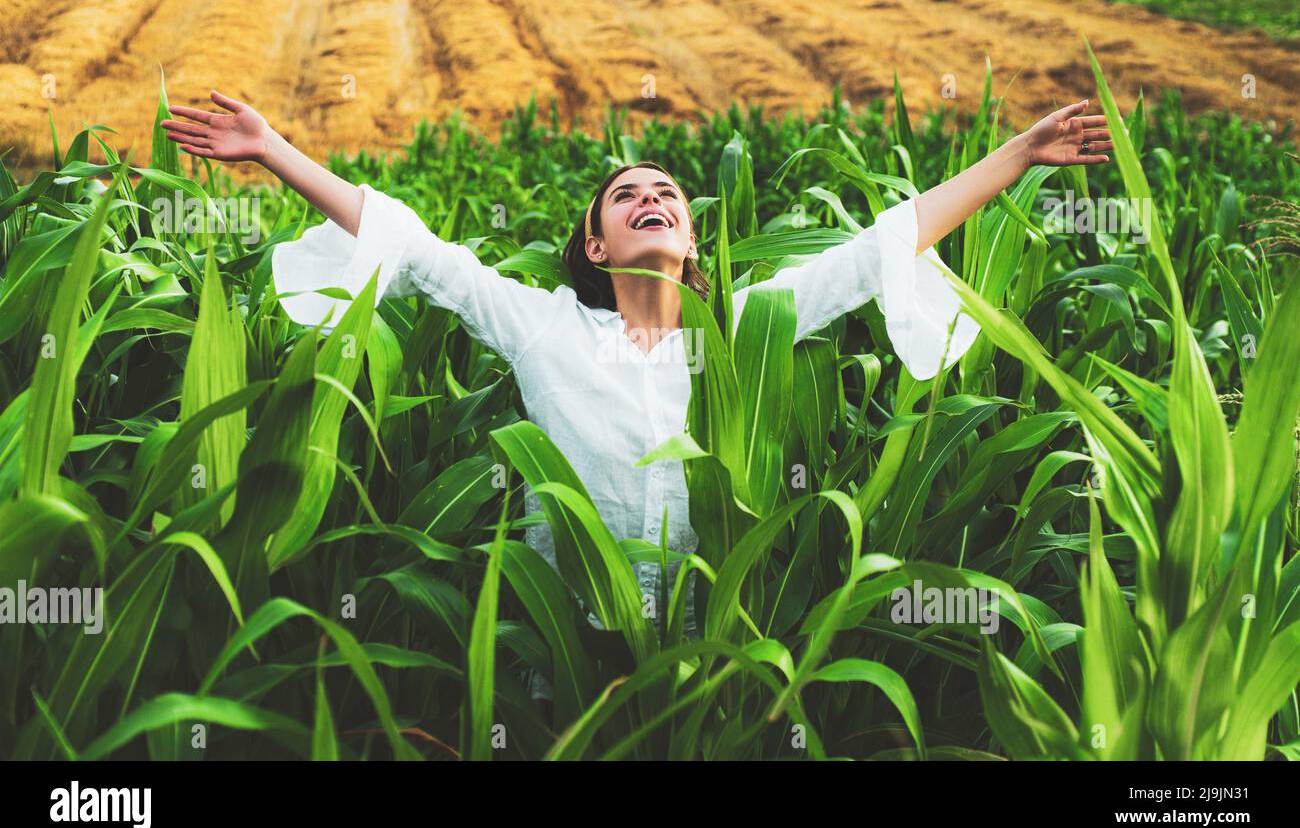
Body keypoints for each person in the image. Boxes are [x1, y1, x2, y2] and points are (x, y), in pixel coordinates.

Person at [161, 91, 1111, 700]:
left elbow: (876, 250)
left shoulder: (746, 327)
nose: (651, 195)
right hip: (561, 668)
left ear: (692, 242)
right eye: (625, 196)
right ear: (599, 248)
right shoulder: (543, 326)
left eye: (668, 192)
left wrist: (1016, 156)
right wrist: (276, 149)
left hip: (714, 671)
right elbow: (415, 250)